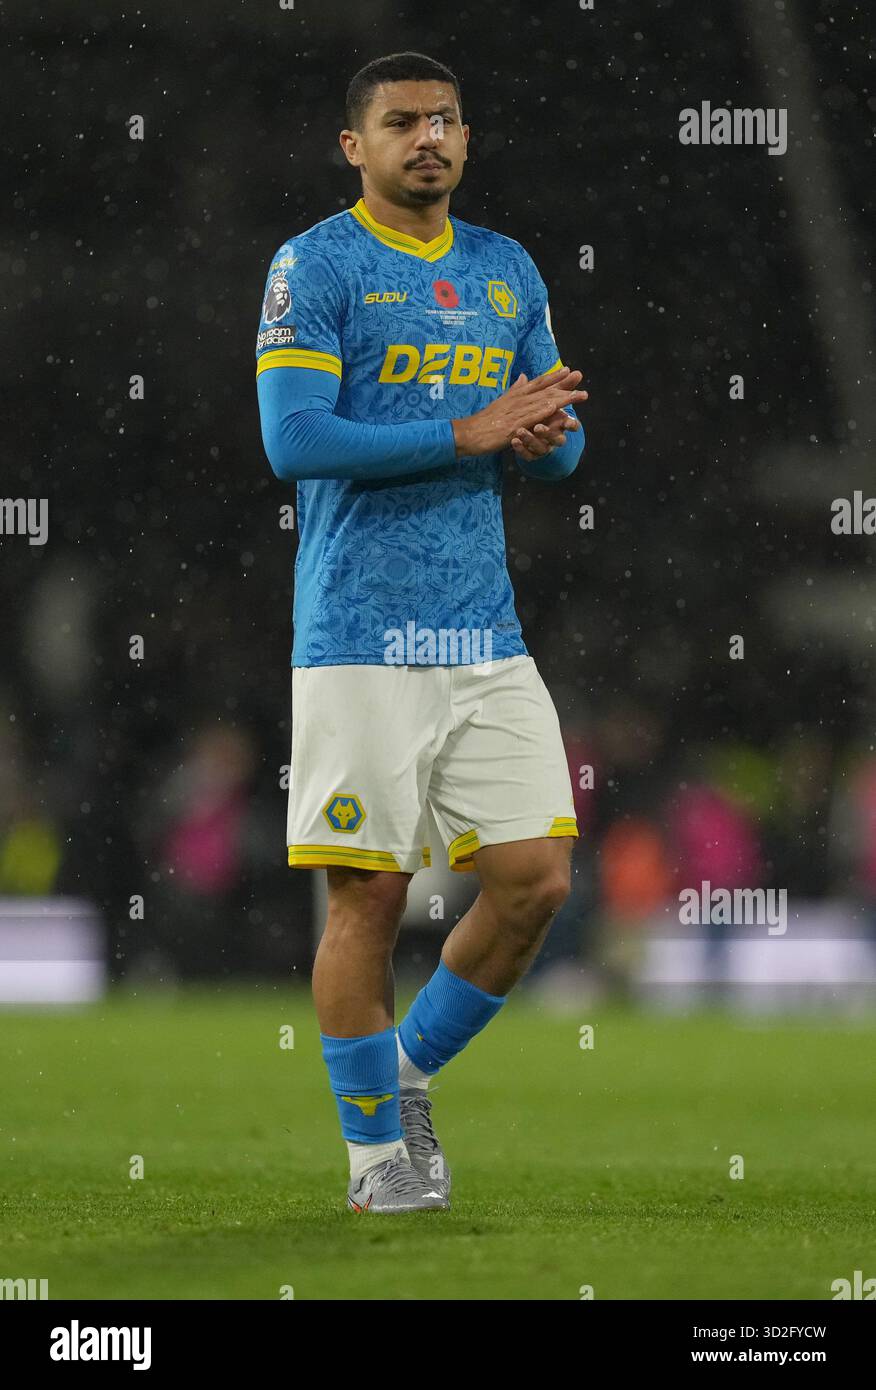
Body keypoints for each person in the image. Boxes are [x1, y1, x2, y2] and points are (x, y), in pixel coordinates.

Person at [255, 51, 588, 1213]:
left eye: (444, 119)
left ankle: (401, 1074)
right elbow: (295, 439)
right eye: (401, 123)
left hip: (484, 635)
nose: (428, 138)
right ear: (357, 147)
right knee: (369, 900)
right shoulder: (315, 264)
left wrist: (545, 440)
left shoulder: (506, 269)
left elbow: (558, 439)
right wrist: (467, 431)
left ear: (467, 137)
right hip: (358, 637)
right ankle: (375, 1162)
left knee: (536, 878)